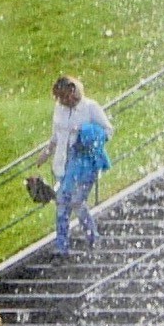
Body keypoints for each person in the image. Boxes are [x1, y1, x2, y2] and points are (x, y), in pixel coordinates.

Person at [49, 76, 112, 254]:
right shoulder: (60, 109)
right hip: (65, 162)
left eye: (65, 97)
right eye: (60, 99)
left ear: (73, 91)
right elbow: (56, 133)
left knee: (75, 200)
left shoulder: (90, 107)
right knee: (62, 203)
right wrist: (48, 151)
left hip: (86, 161)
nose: (63, 102)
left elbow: (108, 131)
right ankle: (62, 246)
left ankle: (92, 237)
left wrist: (85, 132)